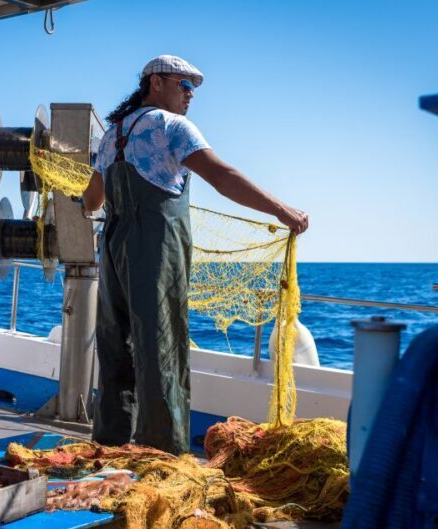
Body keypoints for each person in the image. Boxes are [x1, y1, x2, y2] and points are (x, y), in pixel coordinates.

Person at [83, 55, 309, 455]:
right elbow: (223, 177)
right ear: (155, 83)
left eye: (194, 89)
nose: (190, 95)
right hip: (156, 249)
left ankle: (110, 443)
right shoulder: (172, 127)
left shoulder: (112, 133)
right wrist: (282, 210)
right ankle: (161, 453)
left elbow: (91, 201)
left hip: (113, 248)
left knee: (116, 344)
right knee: (161, 345)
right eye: (184, 85)